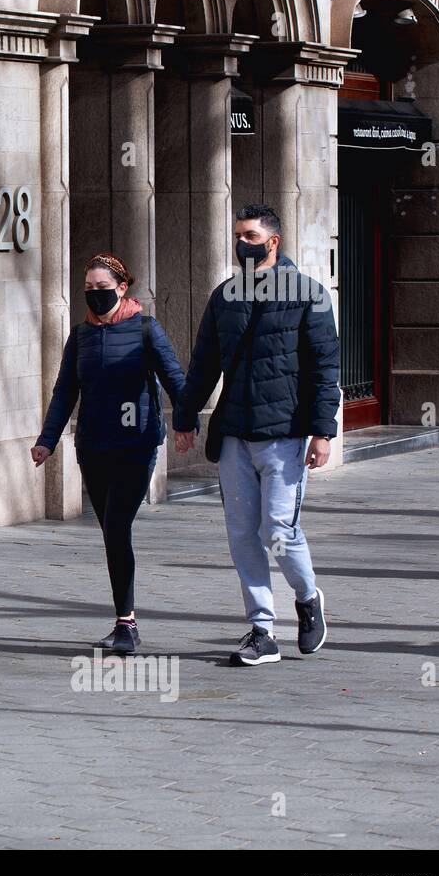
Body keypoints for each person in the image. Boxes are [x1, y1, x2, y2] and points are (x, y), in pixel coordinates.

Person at [173, 203, 339, 666]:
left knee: (278, 529)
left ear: (273, 242)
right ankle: (262, 629)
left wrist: (323, 432)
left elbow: (325, 369)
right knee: (242, 533)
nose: (242, 244)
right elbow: (204, 361)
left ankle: (306, 598)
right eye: (238, 236)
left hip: (285, 435)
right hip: (234, 435)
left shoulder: (309, 295)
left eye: (250, 236)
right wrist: (185, 417)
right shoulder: (225, 296)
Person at [32, 252, 189, 654]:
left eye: (102, 289)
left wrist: (186, 423)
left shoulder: (146, 330)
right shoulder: (81, 336)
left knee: (117, 526)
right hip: (93, 447)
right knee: (111, 534)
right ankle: (124, 620)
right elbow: (65, 390)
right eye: (88, 290)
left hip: (135, 446)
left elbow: (174, 378)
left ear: (122, 288)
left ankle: (126, 623)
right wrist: (47, 440)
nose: (95, 296)